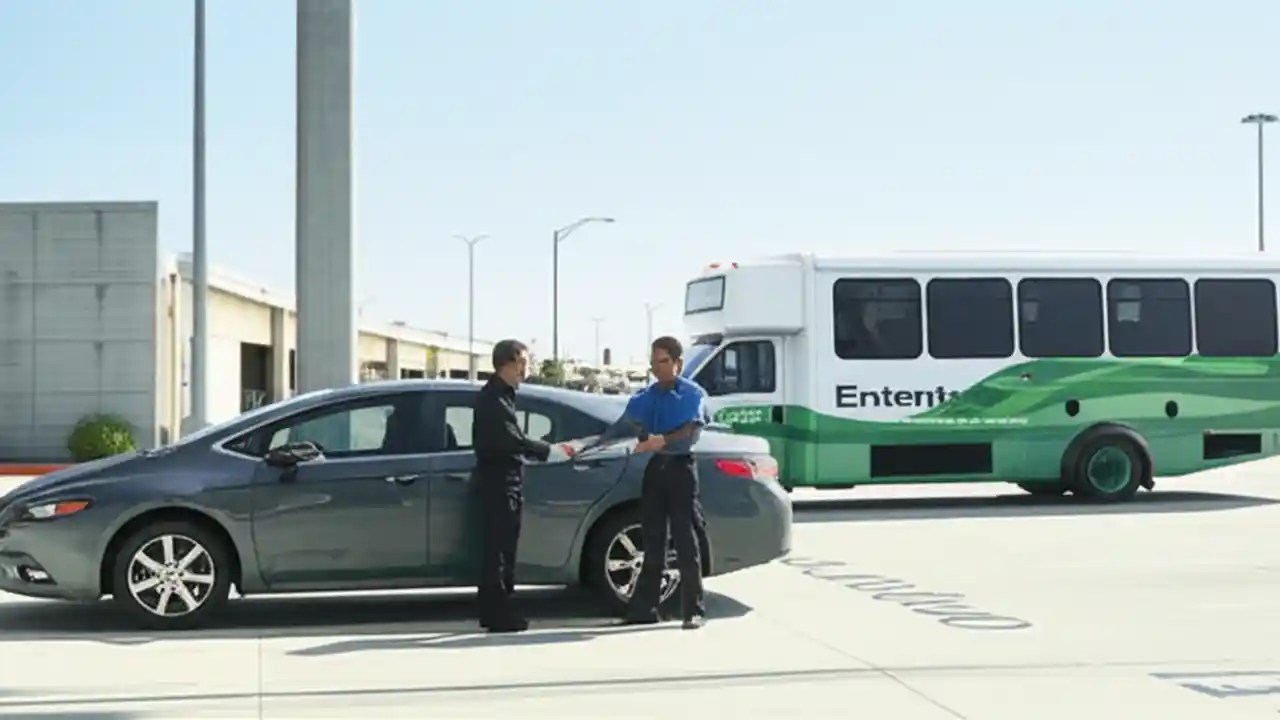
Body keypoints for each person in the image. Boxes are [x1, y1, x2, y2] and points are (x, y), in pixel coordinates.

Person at [594, 335, 711, 629]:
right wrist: (589, 445)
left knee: (685, 539)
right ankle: (644, 608)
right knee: (653, 538)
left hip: (681, 469)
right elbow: (623, 426)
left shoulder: (692, 394)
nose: (658, 368)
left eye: (664, 361)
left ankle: (693, 610)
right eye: (654, 362)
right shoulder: (646, 397)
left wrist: (661, 440)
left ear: (678, 363)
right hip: (657, 469)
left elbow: (690, 429)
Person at [471, 338, 576, 633]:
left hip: (502, 481)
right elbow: (510, 439)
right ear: (508, 364)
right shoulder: (493, 400)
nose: (525, 370)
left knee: (498, 550)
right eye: (523, 363)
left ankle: (491, 610)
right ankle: (500, 614)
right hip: (499, 484)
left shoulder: (501, 395)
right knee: (500, 551)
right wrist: (548, 451)